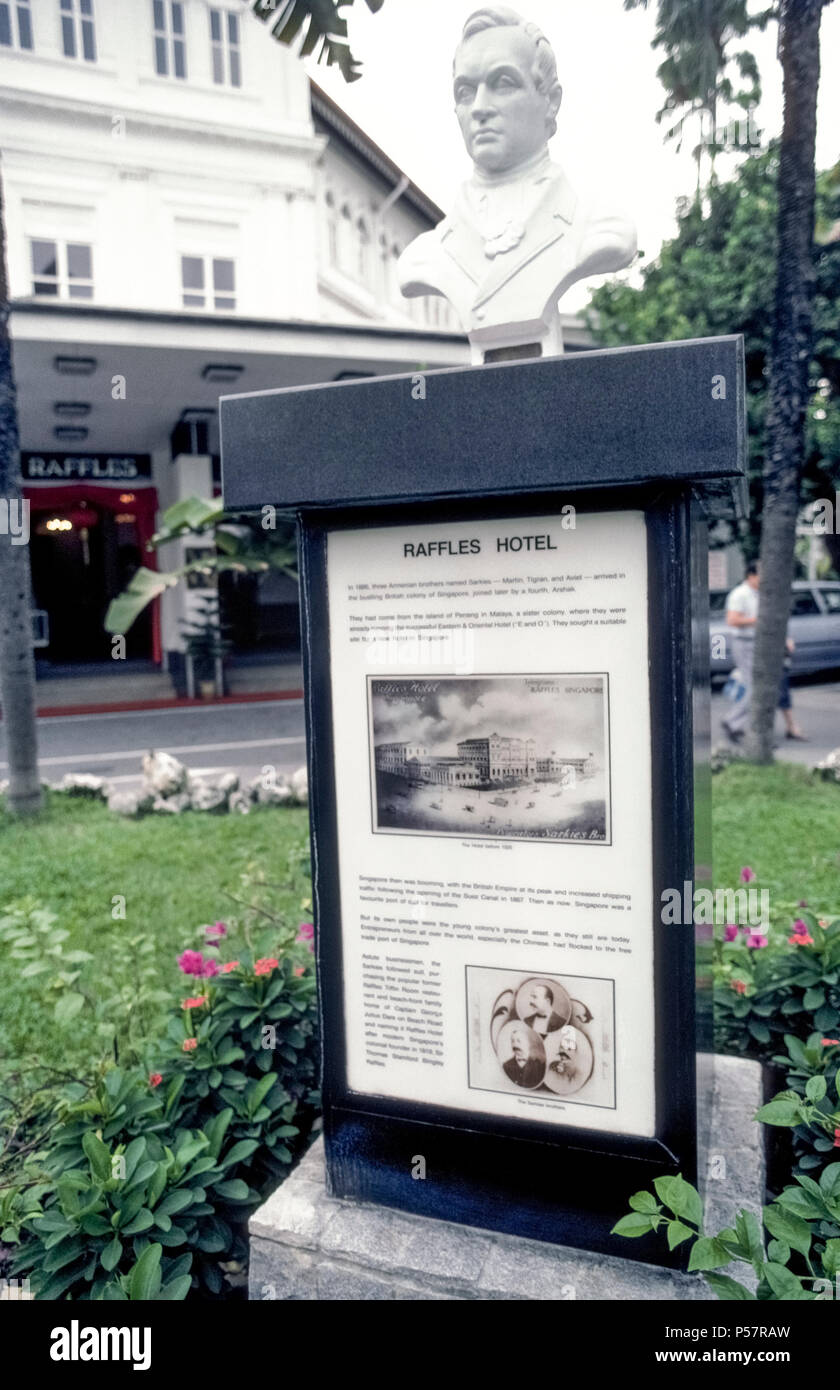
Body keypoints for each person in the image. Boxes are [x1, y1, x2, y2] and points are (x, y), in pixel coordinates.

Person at [397, 7, 636, 349]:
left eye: (503, 84)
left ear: (551, 101)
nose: (479, 107)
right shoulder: (426, 256)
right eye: (465, 91)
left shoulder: (599, 227)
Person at [721, 562, 759, 743]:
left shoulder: (755, 594)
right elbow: (732, 619)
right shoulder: (740, 594)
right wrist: (757, 620)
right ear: (751, 575)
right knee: (752, 686)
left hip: (753, 642)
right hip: (743, 642)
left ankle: (735, 722)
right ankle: (732, 721)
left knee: (753, 685)